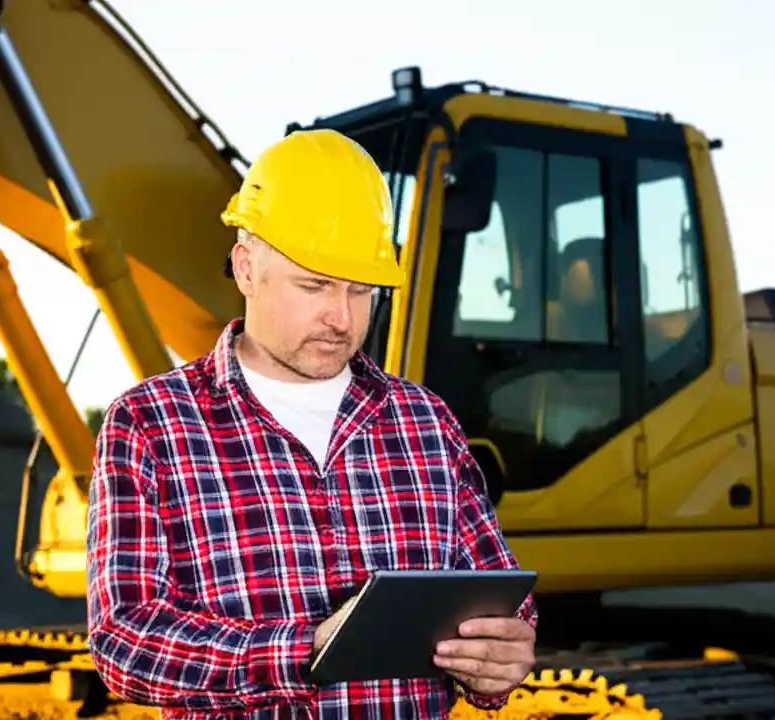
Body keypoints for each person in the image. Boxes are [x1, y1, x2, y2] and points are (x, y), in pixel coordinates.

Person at [85, 128, 537, 718]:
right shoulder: (152, 425)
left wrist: (499, 660)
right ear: (246, 268)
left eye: (359, 290)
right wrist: (306, 650)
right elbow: (126, 642)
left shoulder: (425, 422)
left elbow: (501, 598)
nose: (340, 317)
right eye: (314, 285)